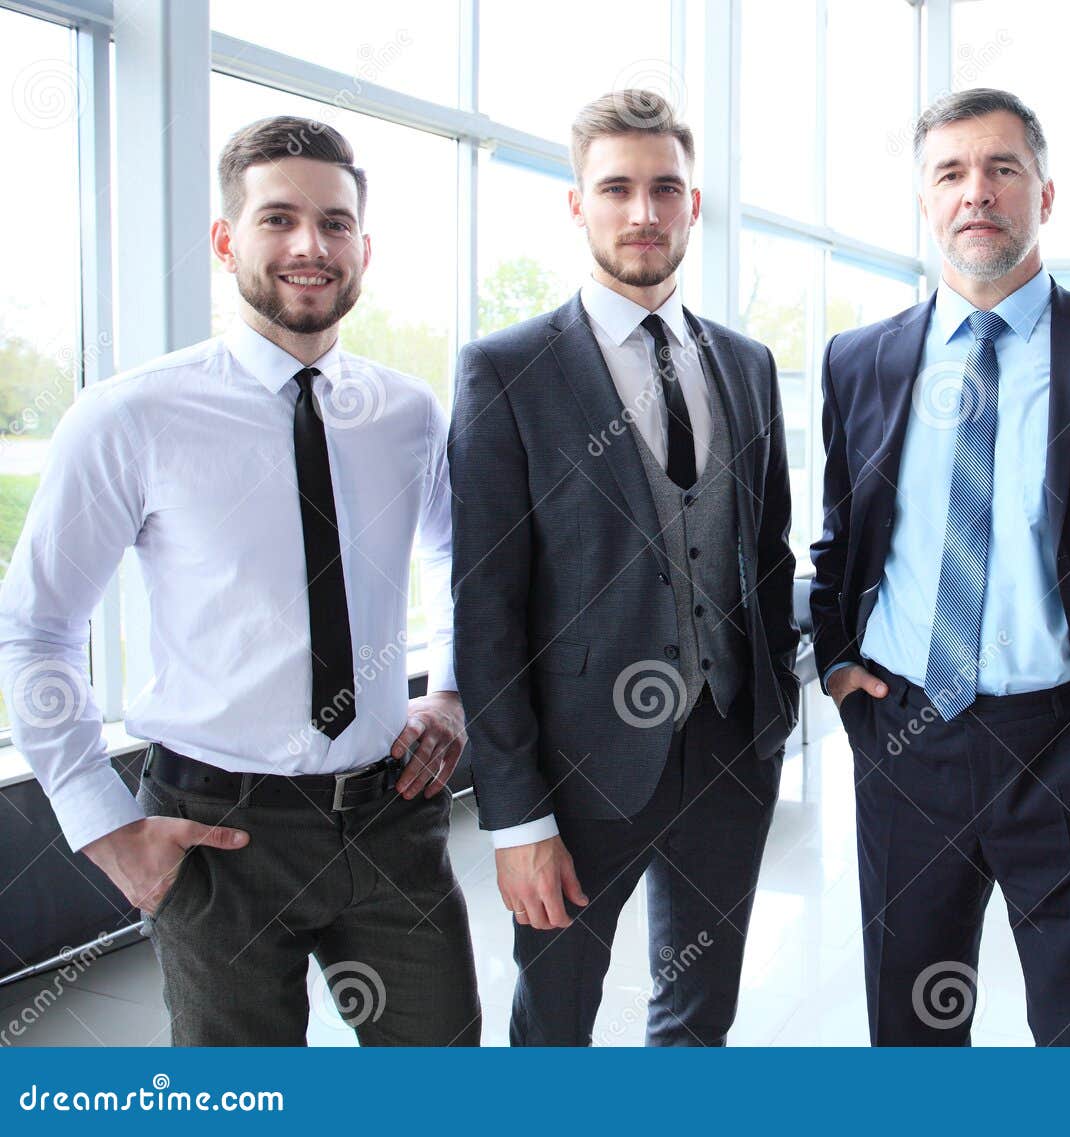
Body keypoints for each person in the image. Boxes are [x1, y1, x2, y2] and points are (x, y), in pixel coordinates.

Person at [0, 116, 480, 1046]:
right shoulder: (130, 416)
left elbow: (455, 558)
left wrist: (452, 694)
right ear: (226, 240)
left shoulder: (407, 412)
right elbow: (36, 628)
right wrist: (103, 824)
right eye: (279, 219)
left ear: (364, 247)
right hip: (217, 831)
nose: (311, 245)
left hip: (391, 817)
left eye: (335, 223)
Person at [809, 88, 1070, 1046]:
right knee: (910, 1035)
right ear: (925, 200)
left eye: (1003, 168)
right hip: (907, 738)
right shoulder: (859, 361)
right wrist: (837, 667)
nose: (978, 191)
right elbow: (841, 538)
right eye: (951, 173)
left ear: (1045, 193)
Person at [450, 89, 800, 1046]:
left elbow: (768, 553)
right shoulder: (506, 370)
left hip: (730, 750)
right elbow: (485, 608)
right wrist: (517, 818)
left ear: (693, 204)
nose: (643, 211)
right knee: (555, 1021)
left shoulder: (747, 363)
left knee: (700, 1014)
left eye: (665, 188)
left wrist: (771, 714)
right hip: (578, 768)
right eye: (616, 189)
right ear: (578, 205)